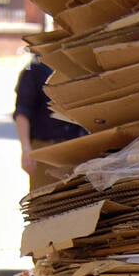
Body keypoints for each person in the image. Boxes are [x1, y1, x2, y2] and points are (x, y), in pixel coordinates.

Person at [14, 55, 86, 191]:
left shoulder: (76, 64)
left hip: (75, 150)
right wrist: (26, 149)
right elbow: (22, 112)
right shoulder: (34, 69)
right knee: (45, 203)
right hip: (44, 151)